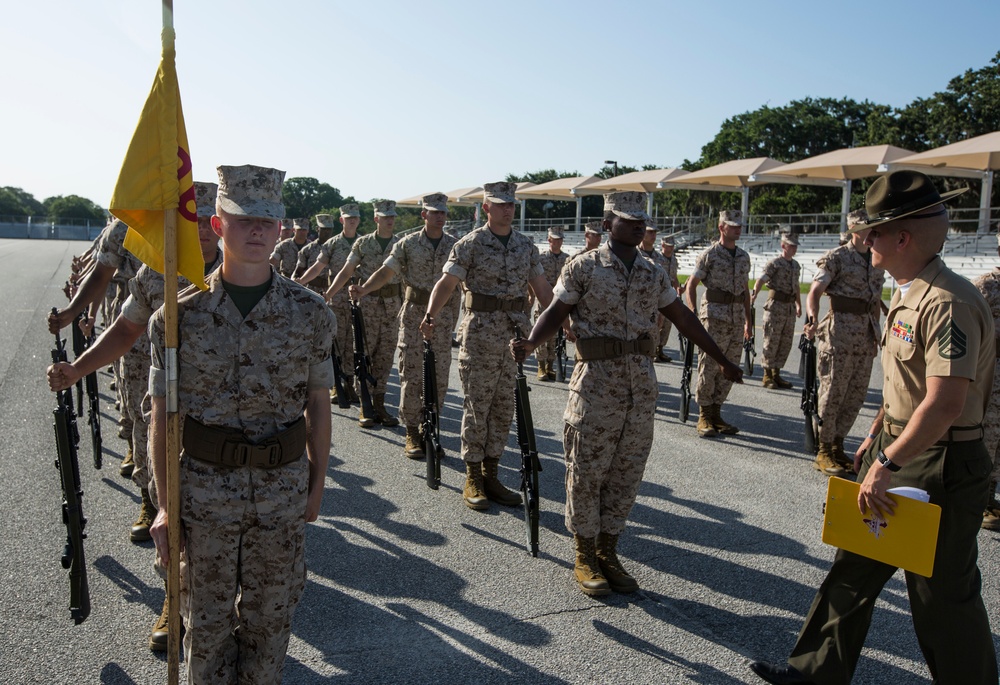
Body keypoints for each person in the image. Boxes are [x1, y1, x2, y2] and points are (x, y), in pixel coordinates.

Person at [750, 170, 998, 685]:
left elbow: (947, 403)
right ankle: (814, 675)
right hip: (905, 443)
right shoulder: (910, 291)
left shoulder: (947, 301)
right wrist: (880, 431)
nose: (865, 242)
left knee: (940, 594)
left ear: (903, 238)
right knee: (855, 565)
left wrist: (889, 461)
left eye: (874, 233)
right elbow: (909, 381)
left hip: (942, 460)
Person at [148, 164, 334, 684]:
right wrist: (165, 505)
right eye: (243, 218)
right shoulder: (178, 317)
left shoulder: (311, 313)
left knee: (269, 626)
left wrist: (317, 485)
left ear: (282, 230)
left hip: (281, 493)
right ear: (217, 224)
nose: (257, 230)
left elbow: (319, 406)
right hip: (204, 497)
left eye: (268, 222)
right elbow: (162, 417)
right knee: (205, 630)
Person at [511, 192, 742, 596]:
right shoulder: (583, 266)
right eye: (628, 219)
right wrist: (531, 343)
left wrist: (721, 358)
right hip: (596, 385)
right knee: (586, 470)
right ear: (607, 224)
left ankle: (608, 549)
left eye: (642, 220)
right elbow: (555, 311)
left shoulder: (653, 272)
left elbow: (683, 317)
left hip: (639, 387)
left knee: (627, 472)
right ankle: (584, 553)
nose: (638, 225)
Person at [49, 181, 222, 651]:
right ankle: (174, 598)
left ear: (219, 224)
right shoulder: (156, 273)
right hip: (168, 408)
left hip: (227, 421)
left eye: (209, 222)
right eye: (191, 221)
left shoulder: (245, 271)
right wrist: (77, 369)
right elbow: (124, 331)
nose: (201, 232)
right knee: (167, 499)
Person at [420, 181, 552, 510]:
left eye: (511, 204)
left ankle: (492, 473)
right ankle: (473, 475)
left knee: (504, 408)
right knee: (477, 407)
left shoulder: (526, 245)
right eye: (500, 204)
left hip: (514, 337)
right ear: (486, 208)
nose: (507, 209)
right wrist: (429, 316)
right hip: (479, 334)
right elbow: (447, 283)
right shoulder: (471, 244)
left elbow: (543, 288)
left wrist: (565, 324)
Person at [349, 193, 458, 457]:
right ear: (424, 215)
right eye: (435, 212)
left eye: (443, 212)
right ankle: (411, 430)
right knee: (411, 375)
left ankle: (429, 428)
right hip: (412, 318)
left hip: (442, 320)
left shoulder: (456, 245)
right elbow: (386, 273)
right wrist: (364, 289)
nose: (440, 216)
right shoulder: (408, 244)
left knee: (439, 377)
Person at [804, 209, 885, 475]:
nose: (872, 232)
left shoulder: (876, 259)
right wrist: (812, 318)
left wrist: (878, 333)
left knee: (856, 395)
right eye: (867, 227)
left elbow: (874, 301)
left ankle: (838, 445)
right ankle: (824, 449)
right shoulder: (836, 258)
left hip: (865, 338)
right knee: (833, 393)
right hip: (838, 335)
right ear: (854, 230)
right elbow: (814, 292)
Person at [325, 199, 402, 428]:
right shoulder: (363, 243)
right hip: (368, 305)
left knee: (385, 355)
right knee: (364, 354)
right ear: (376, 218)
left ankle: (379, 404)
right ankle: (364, 404)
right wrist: (328, 294)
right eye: (385, 216)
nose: (390, 220)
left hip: (392, 306)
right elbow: (346, 271)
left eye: (393, 216)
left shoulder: (401, 244)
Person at [684, 210, 752, 437]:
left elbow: (745, 291)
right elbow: (691, 285)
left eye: (740, 226)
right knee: (710, 365)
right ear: (722, 227)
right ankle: (704, 414)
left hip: (736, 319)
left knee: (731, 366)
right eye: (733, 226)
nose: (738, 229)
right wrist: (693, 314)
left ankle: (716, 412)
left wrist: (748, 322)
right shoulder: (709, 255)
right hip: (713, 317)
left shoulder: (743, 257)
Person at [296, 203, 363, 405]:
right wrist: (300, 282)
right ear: (341, 220)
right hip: (336, 298)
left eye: (355, 217)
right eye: (348, 217)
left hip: (359, 299)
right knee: (336, 341)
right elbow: (317, 267)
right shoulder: (332, 244)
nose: (352, 220)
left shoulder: (363, 243)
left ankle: (350, 383)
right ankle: (336, 383)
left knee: (355, 342)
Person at [971, 232, 1000, 530]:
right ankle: (980, 501)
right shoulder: (984, 285)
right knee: (987, 435)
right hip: (992, 371)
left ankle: (991, 496)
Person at [751, 232, 802, 389]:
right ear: (783, 246)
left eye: (795, 246)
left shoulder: (795, 265)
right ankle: (767, 375)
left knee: (785, 342)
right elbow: (761, 280)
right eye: (791, 246)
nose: (794, 249)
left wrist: (799, 304)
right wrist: (754, 294)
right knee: (771, 341)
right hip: (775, 307)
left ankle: (776, 374)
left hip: (789, 308)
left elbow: (797, 287)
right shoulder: (775, 263)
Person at [533, 225, 569, 381]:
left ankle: (550, 365)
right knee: (541, 332)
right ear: (549, 240)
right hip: (543, 301)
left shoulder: (567, 259)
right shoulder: (541, 258)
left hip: (559, 302)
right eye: (555, 239)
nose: (558, 242)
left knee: (555, 335)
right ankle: (541, 366)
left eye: (560, 239)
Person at [655, 235, 681, 362]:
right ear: (662, 246)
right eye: (668, 246)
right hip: (659, 294)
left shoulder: (674, 260)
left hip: (669, 294)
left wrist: (678, 289)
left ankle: (660, 349)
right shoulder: (658, 259)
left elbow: (674, 277)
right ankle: (653, 349)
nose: (670, 249)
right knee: (657, 323)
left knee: (667, 324)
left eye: (672, 246)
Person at [296, 214, 336, 294]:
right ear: (317, 229)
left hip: (333, 292)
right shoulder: (307, 249)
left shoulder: (338, 248)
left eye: (329, 229)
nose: (327, 232)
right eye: (324, 229)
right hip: (311, 291)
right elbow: (299, 271)